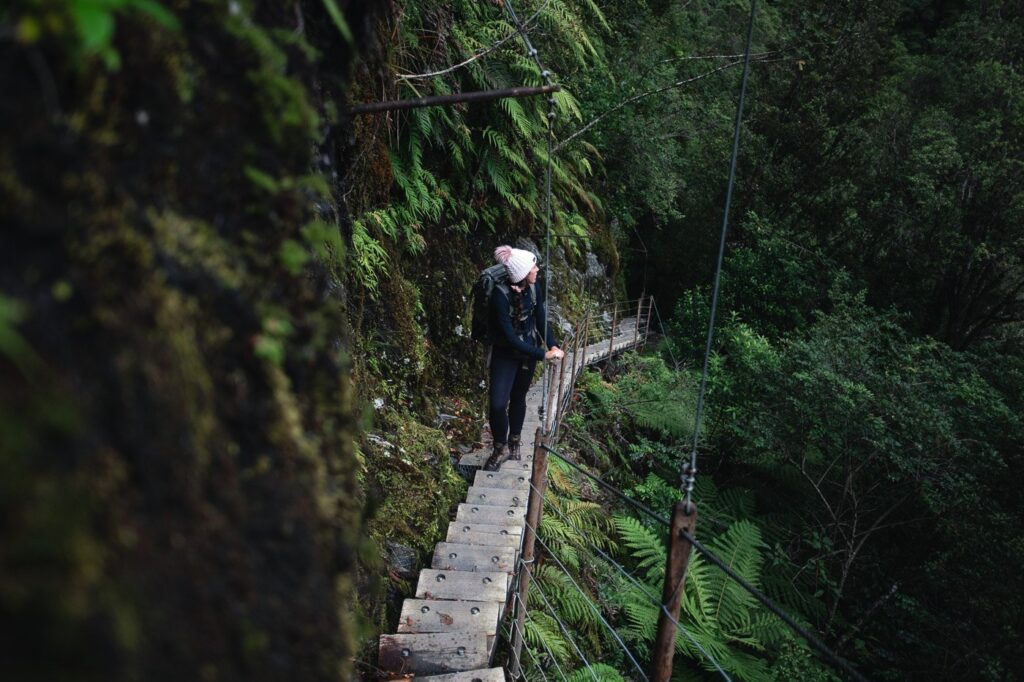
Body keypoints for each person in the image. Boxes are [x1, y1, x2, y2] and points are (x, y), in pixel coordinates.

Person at [485, 245, 564, 471]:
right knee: (498, 403)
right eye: (533, 267)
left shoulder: (533, 287)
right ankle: (500, 447)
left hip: (527, 354)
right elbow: (509, 338)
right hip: (506, 354)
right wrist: (543, 354)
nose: (537, 269)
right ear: (522, 274)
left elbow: (541, 318)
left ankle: (514, 442)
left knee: (519, 398)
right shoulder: (500, 297)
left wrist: (553, 344)